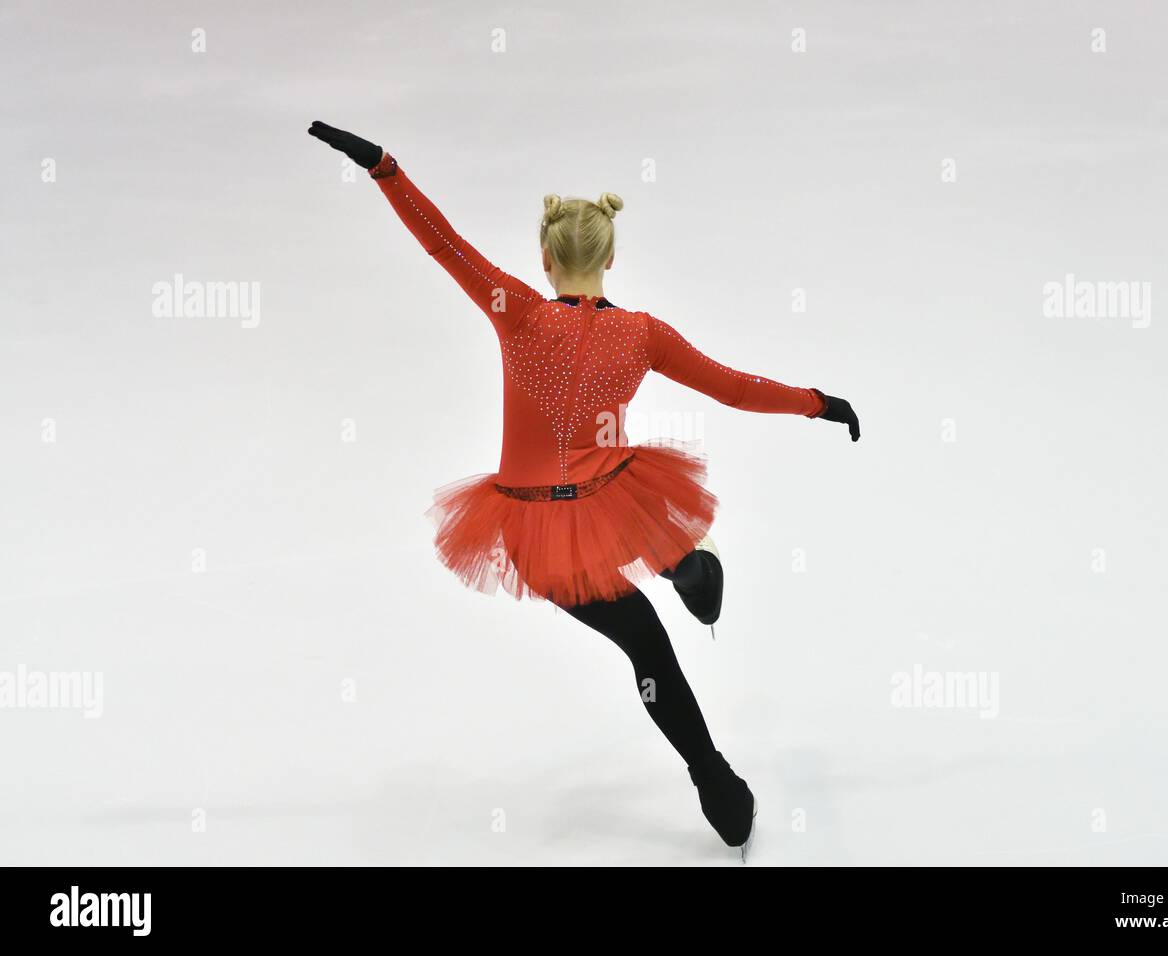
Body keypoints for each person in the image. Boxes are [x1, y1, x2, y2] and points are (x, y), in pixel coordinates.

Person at [308, 122, 859, 860]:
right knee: (627, 478)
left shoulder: (517, 310)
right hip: (614, 495)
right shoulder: (642, 333)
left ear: (543, 258)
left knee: (649, 655)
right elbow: (732, 389)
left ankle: (716, 782)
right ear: (612, 257)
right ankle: (686, 562)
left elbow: (441, 243)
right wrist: (818, 401)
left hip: (536, 534)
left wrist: (383, 167)